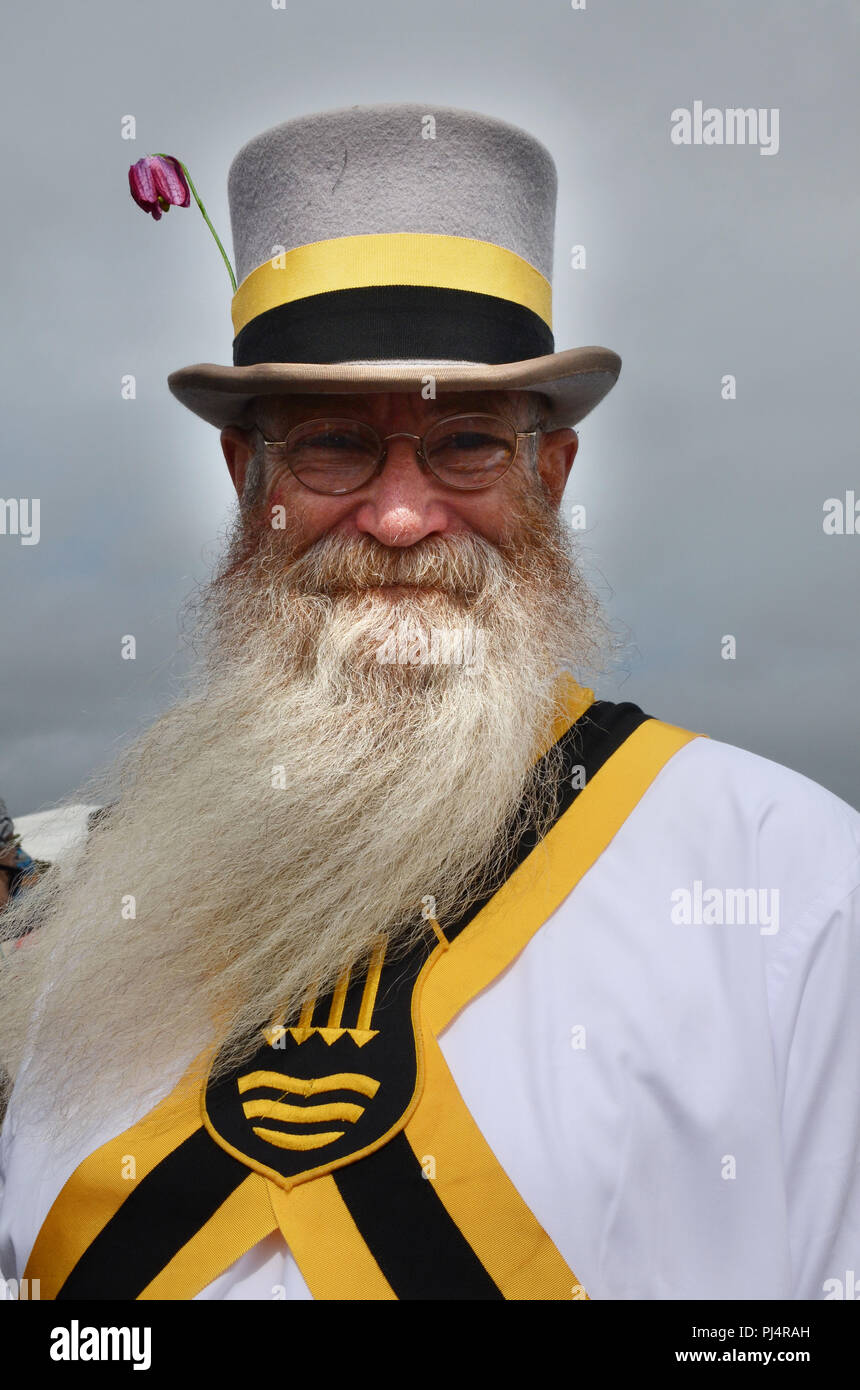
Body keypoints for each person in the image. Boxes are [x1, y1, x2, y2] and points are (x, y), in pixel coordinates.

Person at [0, 103, 858, 1302]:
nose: (400, 518)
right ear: (249, 484)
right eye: (334, 446)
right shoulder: (106, 917)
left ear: (548, 478)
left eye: (464, 445)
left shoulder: (793, 881)